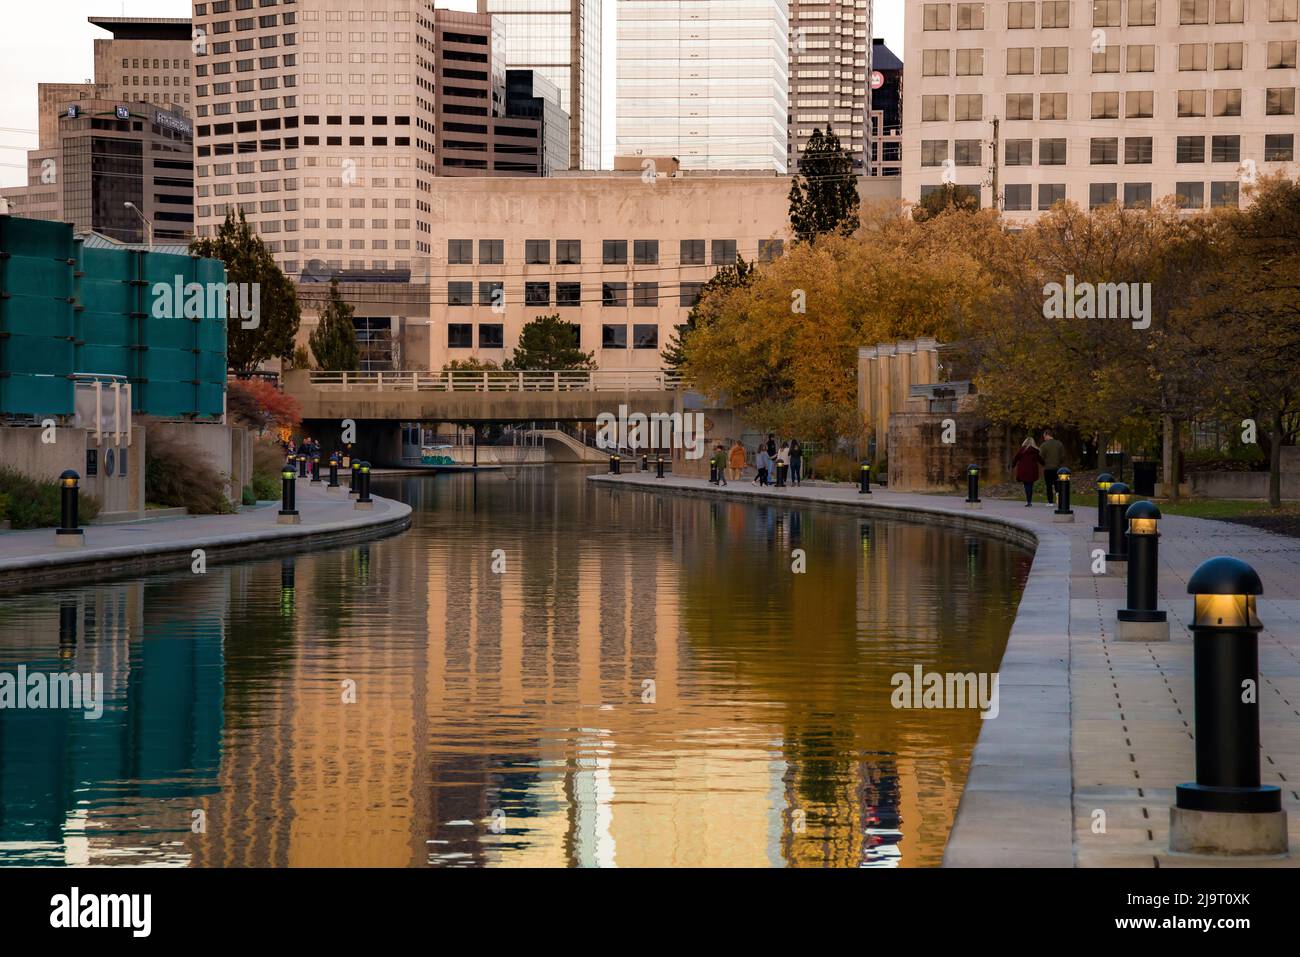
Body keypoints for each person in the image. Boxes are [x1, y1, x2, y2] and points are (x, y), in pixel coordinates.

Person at [1013, 436, 1043, 507]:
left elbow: (1016, 458)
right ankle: (1029, 500)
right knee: (1030, 485)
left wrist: (1013, 465)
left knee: (1026, 485)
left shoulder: (1022, 450)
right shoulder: (1035, 451)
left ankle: (1028, 501)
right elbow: (1040, 459)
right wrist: (1044, 463)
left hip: (1023, 470)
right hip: (1032, 471)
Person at [1039, 430, 1065, 504]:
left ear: (1047, 435)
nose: (1044, 438)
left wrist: (1043, 463)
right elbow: (1063, 456)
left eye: (1044, 436)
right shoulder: (1059, 444)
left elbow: (1040, 457)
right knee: (1057, 484)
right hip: (1057, 468)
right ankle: (1059, 498)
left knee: (1049, 485)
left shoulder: (1044, 445)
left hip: (1048, 468)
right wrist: (1059, 462)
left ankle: (1050, 501)